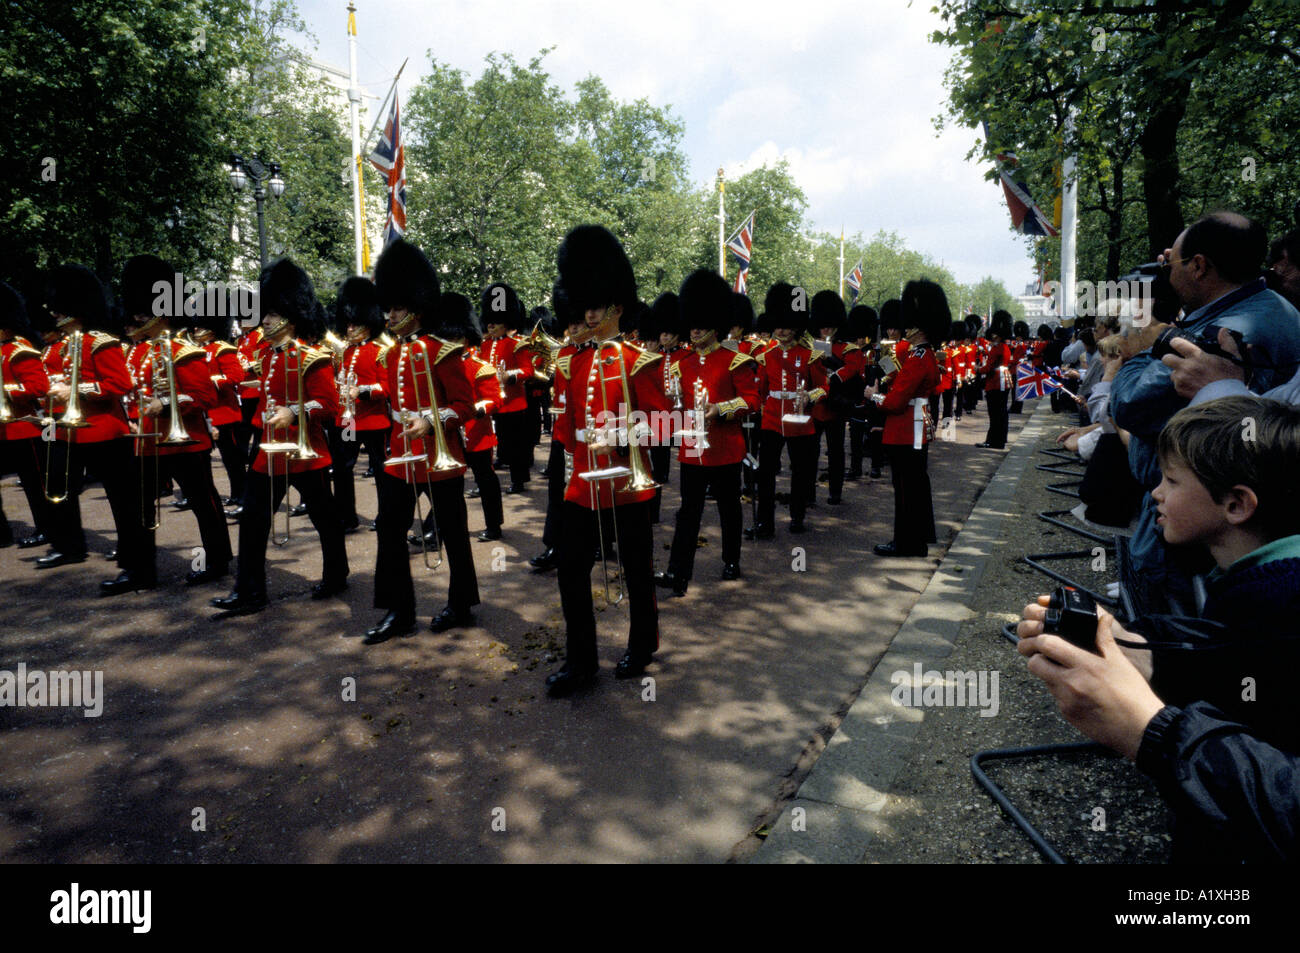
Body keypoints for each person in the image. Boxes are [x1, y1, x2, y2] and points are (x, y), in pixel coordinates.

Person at [1017, 395, 1300, 861]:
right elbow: (1244, 664)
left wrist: (1149, 731)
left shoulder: (1276, 603)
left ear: (1235, 504)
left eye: (1171, 480)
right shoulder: (1266, 591)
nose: (1155, 493)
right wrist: (1142, 650)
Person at [1110, 211, 1300, 606]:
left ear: (1199, 266)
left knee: (1172, 646)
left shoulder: (1222, 332)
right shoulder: (1276, 310)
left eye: (1175, 263)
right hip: (1215, 524)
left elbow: (1128, 404)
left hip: (1193, 540)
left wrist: (1149, 345)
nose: (1167, 272)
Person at [545, 224, 670, 698]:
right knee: (570, 569)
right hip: (582, 484)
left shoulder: (640, 360)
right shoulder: (571, 361)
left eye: (596, 304)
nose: (588, 312)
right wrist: (575, 445)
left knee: (636, 568)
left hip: (626, 481)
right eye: (583, 304)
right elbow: (564, 427)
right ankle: (581, 661)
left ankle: (642, 645)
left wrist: (616, 434)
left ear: (618, 305)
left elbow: (660, 427)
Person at [210, 258, 348, 616]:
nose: (266, 320)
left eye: (272, 314)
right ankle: (249, 592)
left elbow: (330, 407)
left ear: (290, 314)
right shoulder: (267, 355)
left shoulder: (311, 358)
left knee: (325, 520)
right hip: (269, 452)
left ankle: (337, 573)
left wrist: (295, 412)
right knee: (253, 519)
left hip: (307, 452)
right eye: (265, 313)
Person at [363, 239, 480, 643]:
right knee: (389, 529)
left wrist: (431, 422)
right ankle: (399, 610)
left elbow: (464, 405)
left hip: (439, 455)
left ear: (415, 306)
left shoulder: (441, 351)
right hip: (403, 456)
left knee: (453, 531)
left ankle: (461, 602)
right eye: (388, 307)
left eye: (396, 307)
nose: (389, 314)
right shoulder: (391, 354)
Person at [121, 254, 231, 592]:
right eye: (136, 311)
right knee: (138, 506)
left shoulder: (185, 350)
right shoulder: (138, 352)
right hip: (149, 440)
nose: (137, 318)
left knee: (202, 503)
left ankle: (215, 560)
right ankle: (140, 569)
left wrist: (166, 403)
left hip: (187, 440)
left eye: (143, 311)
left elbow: (205, 397)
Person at [37, 264, 148, 584]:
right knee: (57, 488)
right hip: (68, 431)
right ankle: (69, 545)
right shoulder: (61, 347)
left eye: (61, 308)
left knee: (123, 502)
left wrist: (73, 390)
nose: (54, 314)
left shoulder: (100, 343)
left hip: (104, 430)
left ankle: (134, 562)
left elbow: (120, 384)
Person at [654, 269, 759, 596]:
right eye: (692, 323)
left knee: (728, 508)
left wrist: (722, 409)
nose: (695, 329)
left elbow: (752, 400)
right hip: (692, 449)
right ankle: (677, 572)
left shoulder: (734, 361)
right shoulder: (679, 364)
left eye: (701, 323)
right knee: (688, 512)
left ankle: (731, 559)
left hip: (725, 448)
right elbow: (673, 405)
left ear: (716, 324)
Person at [864, 280, 944, 557]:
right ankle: (918, 540)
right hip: (916, 424)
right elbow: (902, 379)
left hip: (905, 427)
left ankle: (906, 543)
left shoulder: (918, 357)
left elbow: (896, 401)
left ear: (917, 327)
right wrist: (885, 367)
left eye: (908, 324)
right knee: (915, 485)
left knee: (906, 488)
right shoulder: (923, 354)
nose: (903, 329)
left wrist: (873, 395)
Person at [749, 282, 829, 538]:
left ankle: (797, 515)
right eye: (778, 325)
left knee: (800, 471)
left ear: (795, 327)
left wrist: (810, 396)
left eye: (786, 325)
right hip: (772, 418)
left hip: (799, 418)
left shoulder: (810, 355)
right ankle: (765, 522)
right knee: (765, 472)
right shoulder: (766, 356)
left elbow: (824, 387)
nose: (781, 330)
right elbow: (760, 390)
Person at [329, 277, 390, 533]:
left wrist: (361, 391)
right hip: (348, 420)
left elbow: (386, 388)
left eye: (355, 324)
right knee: (343, 469)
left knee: (380, 470)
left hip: (374, 419)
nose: (350, 328)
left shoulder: (380, 351)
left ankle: (386, 515)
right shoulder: (343, 351)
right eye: (348, 323)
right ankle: (346, 515)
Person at [0, 283, 54, 549]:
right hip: (2, 428)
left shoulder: (20, 351)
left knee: (35, 485)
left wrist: (5, 391)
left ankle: (46, 528)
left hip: (24, 427)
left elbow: (38, 387)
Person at [809, 290, 862, 506]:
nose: (826, 329)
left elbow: (850, 371)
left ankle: (835, 491)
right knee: (810, 454)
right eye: (823, 325)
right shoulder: (810, 347)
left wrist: (831, 361)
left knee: (836, 452)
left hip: (835, 407)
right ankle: (808, 494)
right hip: (814, 407)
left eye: (830, 325)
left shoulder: (847, 349)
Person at [479, 282, 531, 494]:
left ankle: (519, 480)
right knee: (501, 442)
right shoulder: (485, 345)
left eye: (496, 322)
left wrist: (510, 376)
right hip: (495, 402)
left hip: (514, 402)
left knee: (517, 445)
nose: (491, 326)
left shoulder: (517, 343)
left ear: (506, 322)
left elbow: (527, 370)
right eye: (489, 322)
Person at [975, 310, 1013, 449]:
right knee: (1002, 412)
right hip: (1003, 380)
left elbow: (988, 367)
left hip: (996, 382)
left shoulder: (997, 349)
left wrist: (977, 369)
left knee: (995, 413)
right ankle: (1000, 440)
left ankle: (993, 441)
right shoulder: (1005, 347)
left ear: (996, 334)